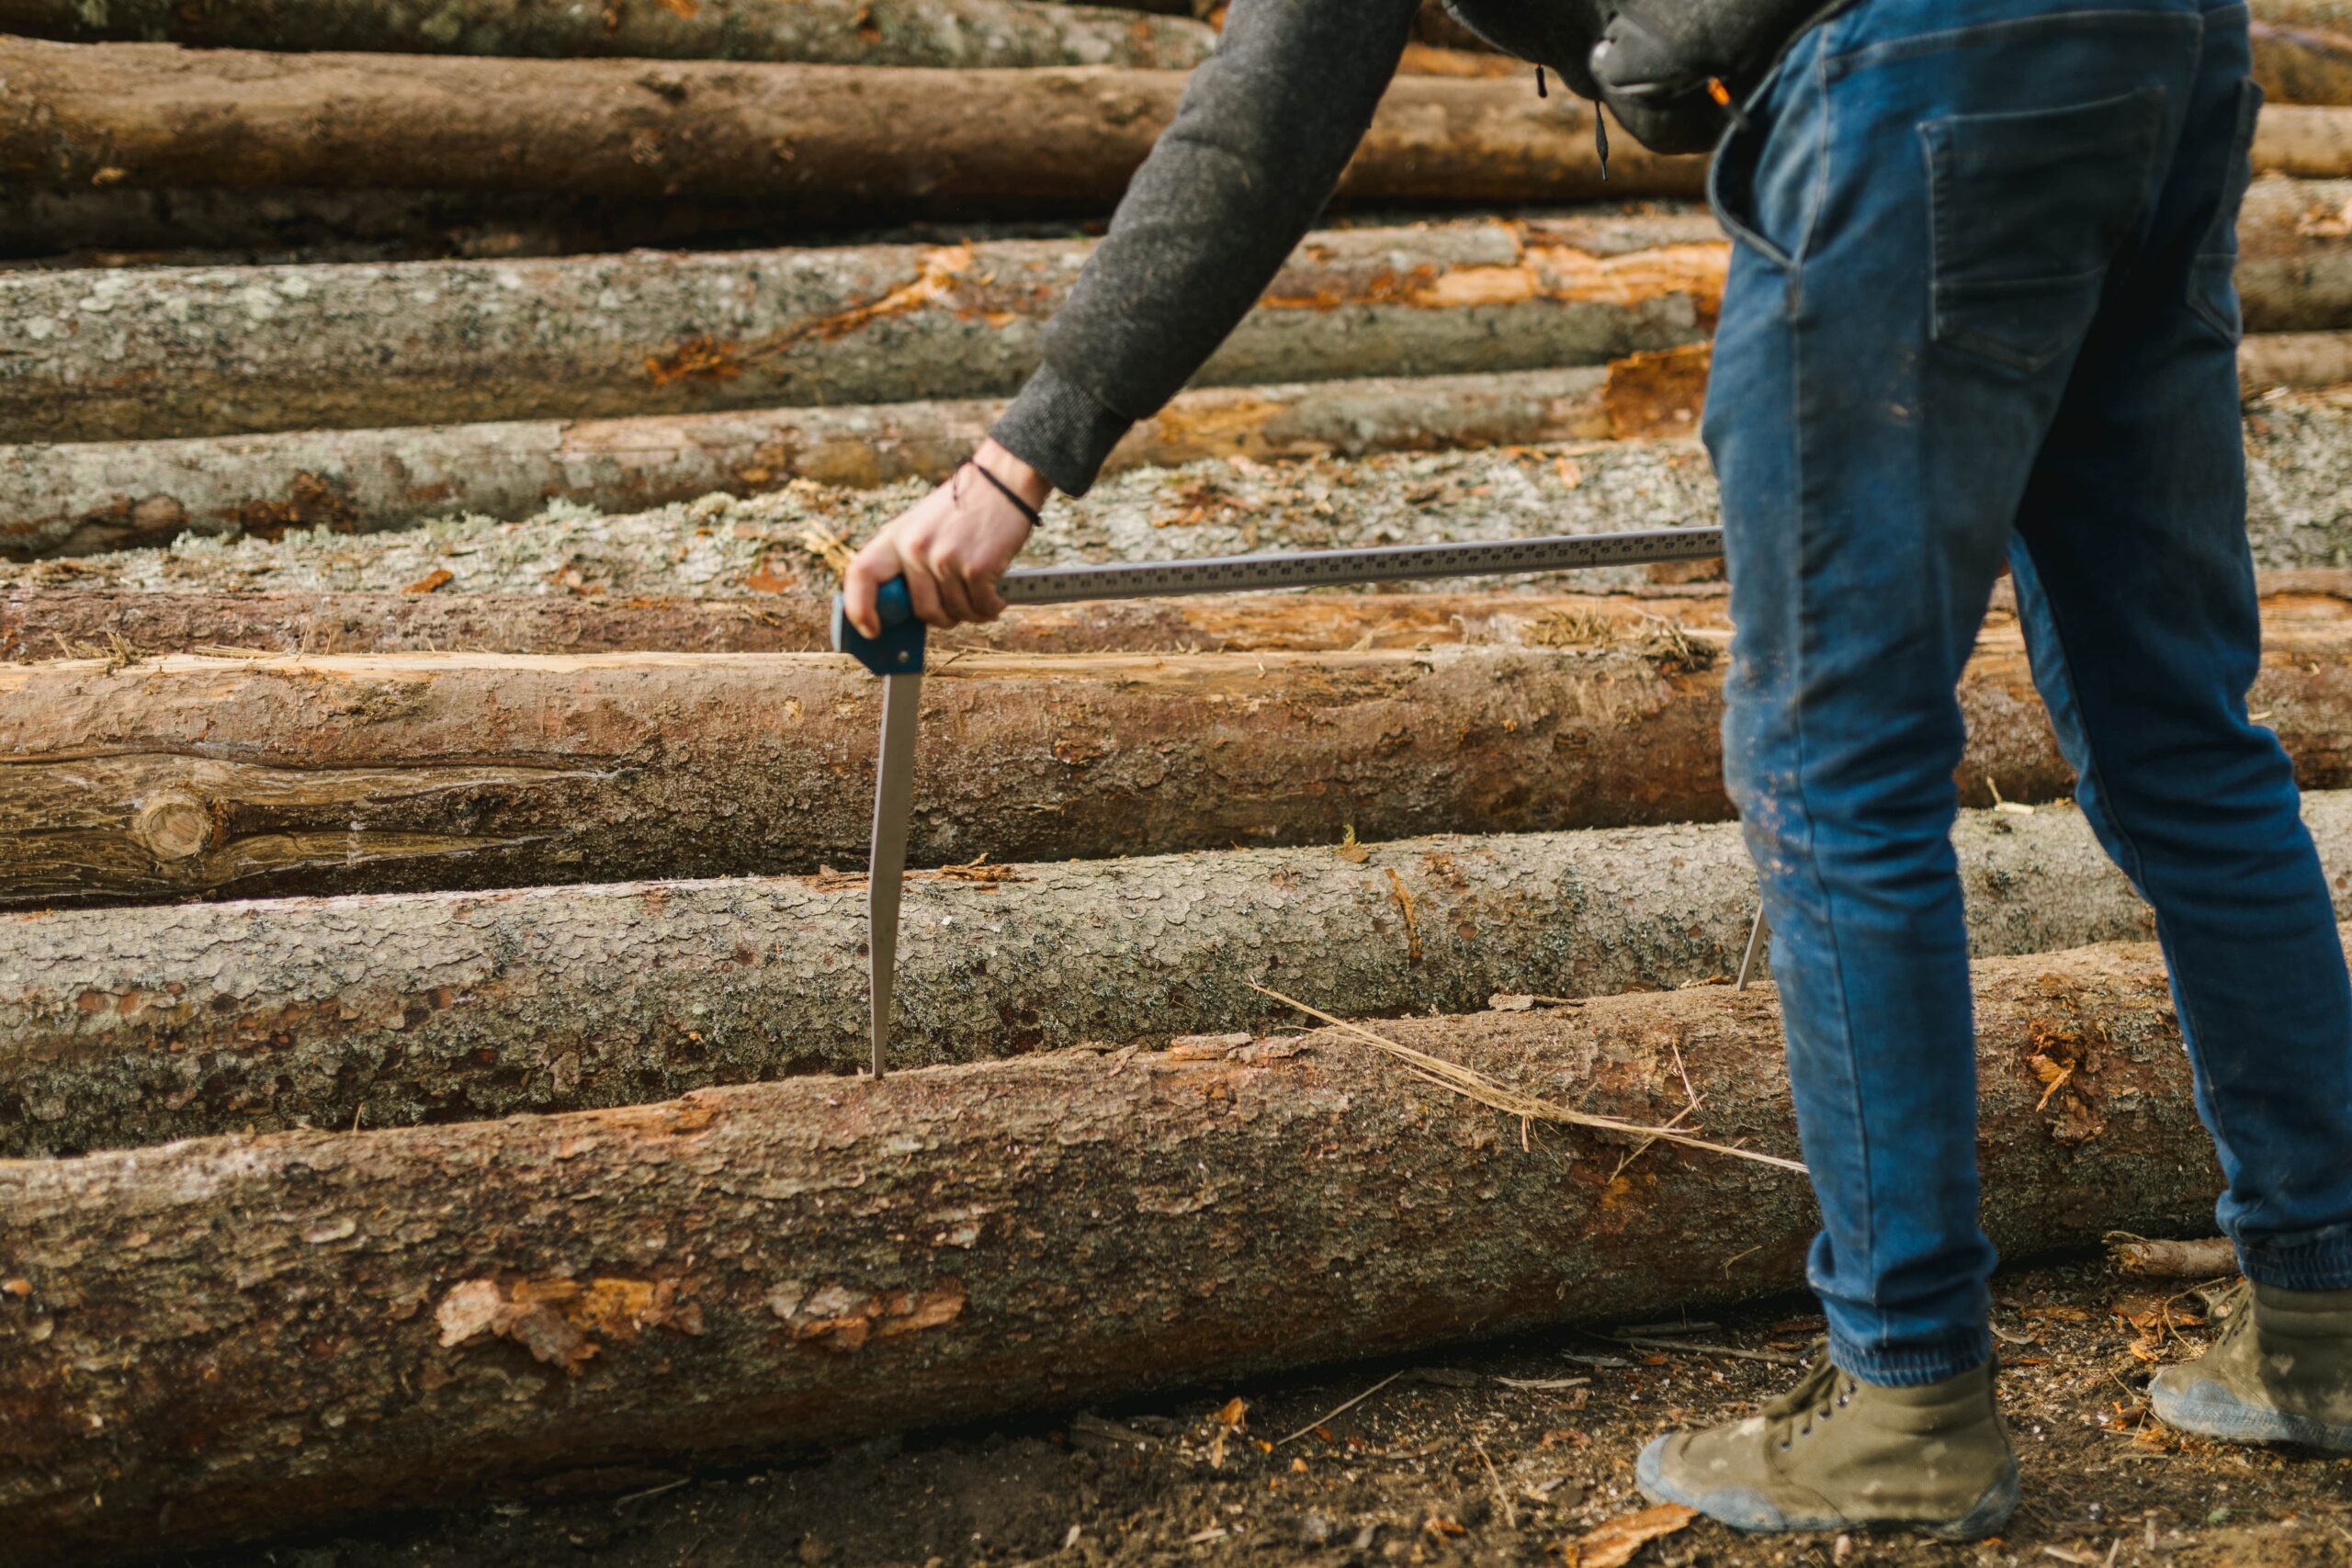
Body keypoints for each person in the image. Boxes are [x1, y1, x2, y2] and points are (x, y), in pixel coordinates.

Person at [842, 0, 2352, 1538]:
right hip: (2160, 41)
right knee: (2177, 726)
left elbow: (1269, 104)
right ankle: (2327, 1310)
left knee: (1837, 762)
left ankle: (1906, 1395)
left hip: (1926, 74)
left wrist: (1018, 460)